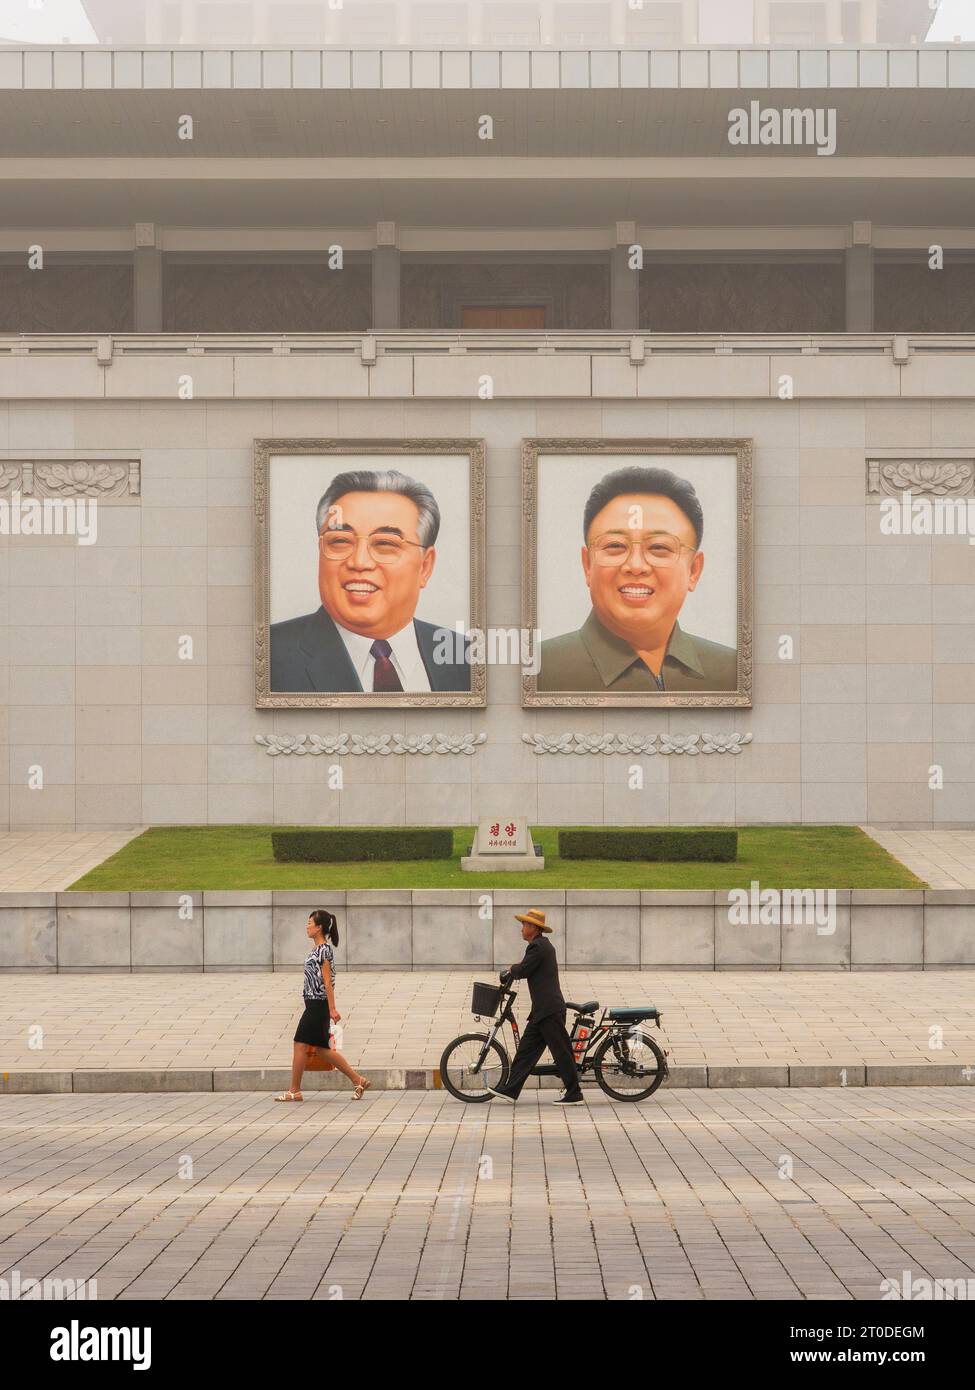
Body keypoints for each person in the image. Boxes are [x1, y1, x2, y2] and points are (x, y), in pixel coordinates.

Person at [537, 465, 737, 693]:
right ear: (587, 566)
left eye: (659, 547)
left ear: (693, 570)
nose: (636, 566)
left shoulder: (734, 672)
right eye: (615, 546)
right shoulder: (538, 673)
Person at [270, 468, 471, 693]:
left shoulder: (467, 658)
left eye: (385, 544)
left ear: (425, 566)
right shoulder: (265, 655)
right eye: (340, 541)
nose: (359, 562)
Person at [486, 909, 583, 1106]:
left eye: (524, 925)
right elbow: (528, 966)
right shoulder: (540, 946)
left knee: (561, 1052)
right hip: (542, 1011)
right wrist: (516, 968)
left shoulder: (538, 947)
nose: (521, 929)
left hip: (549, 1010)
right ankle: (511, 1090)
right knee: (525, 1051)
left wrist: (510, 970)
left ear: (533, 928)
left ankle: (574, 1093)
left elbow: (523, 969)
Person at [275, 909, 371, 1102]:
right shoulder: (317, 950)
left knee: (299, 1043)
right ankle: (358, 1080)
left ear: (319, 927)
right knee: (321, 1049)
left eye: (310, 923)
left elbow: (327, 981)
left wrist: (332, 1008)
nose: (307, 926)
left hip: (317, 1006)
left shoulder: (324, 950)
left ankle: (294, 1090)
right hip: (314, 1004)